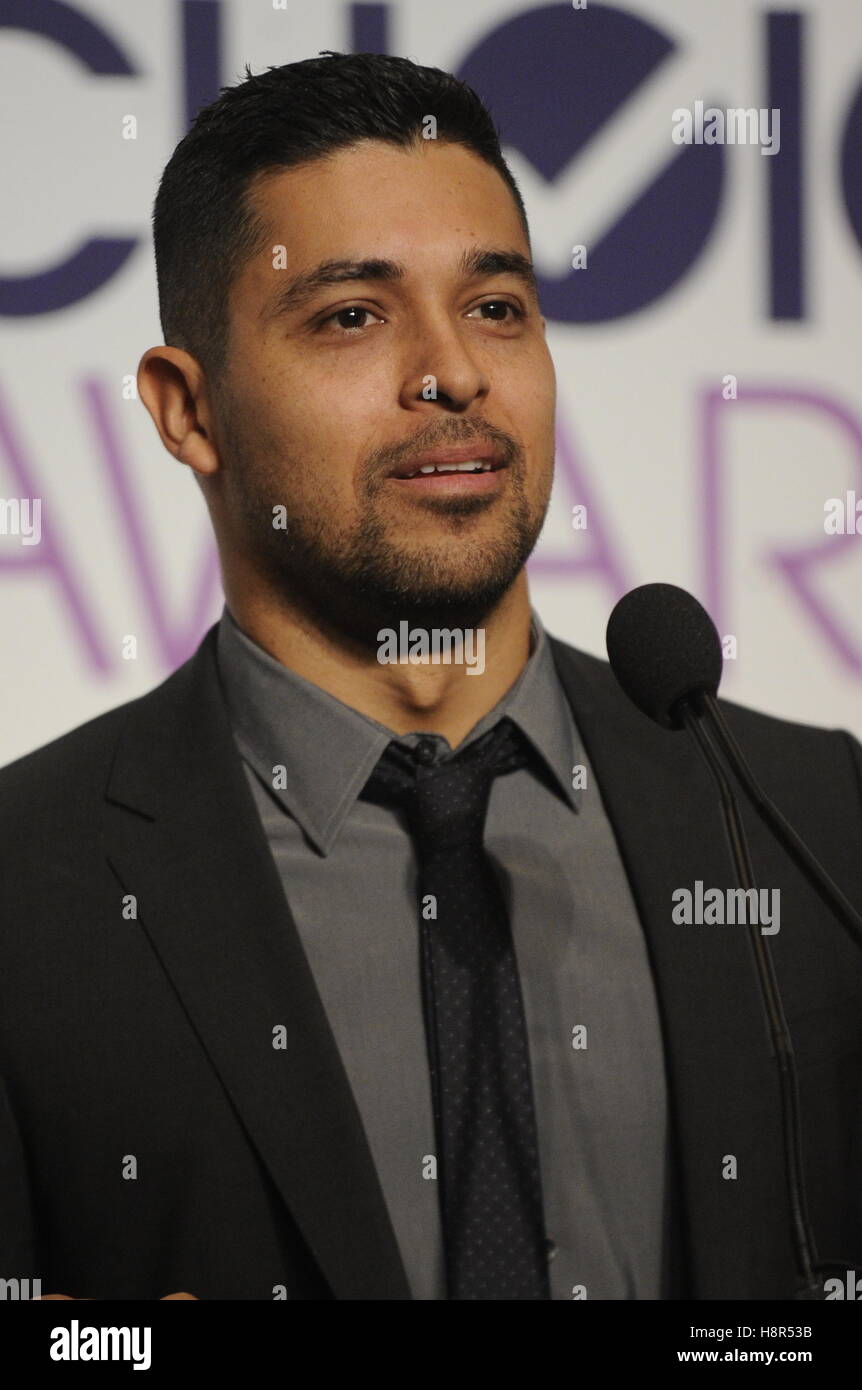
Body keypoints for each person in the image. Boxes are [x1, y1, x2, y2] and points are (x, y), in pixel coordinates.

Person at [1, 52, 861, 1302]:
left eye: (497, 306)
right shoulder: (28, 884)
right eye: (352, 314)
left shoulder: (814, 822)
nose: (453, 372)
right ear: (187, 410)